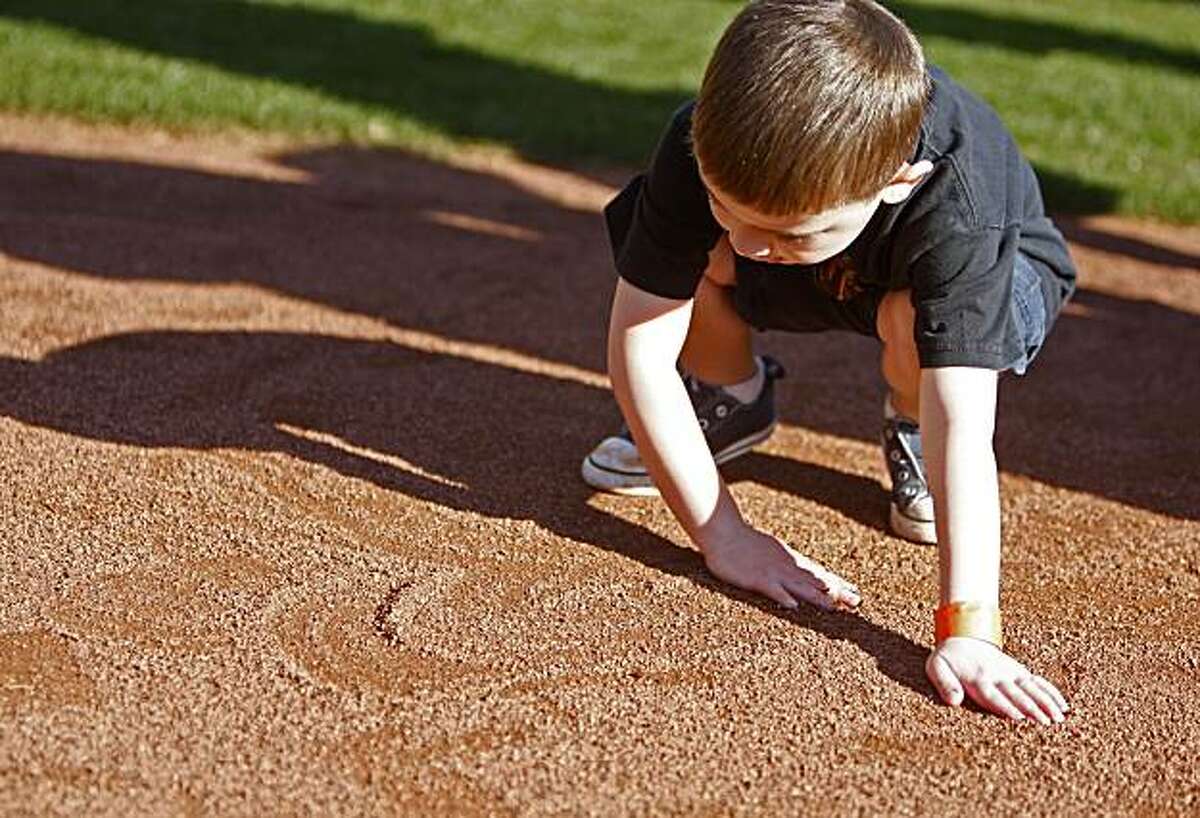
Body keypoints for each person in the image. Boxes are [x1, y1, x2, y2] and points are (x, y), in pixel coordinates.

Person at [582, 0, 1075, 724]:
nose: (747, 244)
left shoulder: (957, 203)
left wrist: (969, 631)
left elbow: (964, 420)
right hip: (829, 265)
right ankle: (729, 394)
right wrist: (725, 537)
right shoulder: (707, 146)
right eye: (725, 205)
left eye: (783, 230)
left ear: (897, 182)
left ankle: (906, 427)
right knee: (695, 251)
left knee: (917, 327)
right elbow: (640, 346)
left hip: (991, 278)